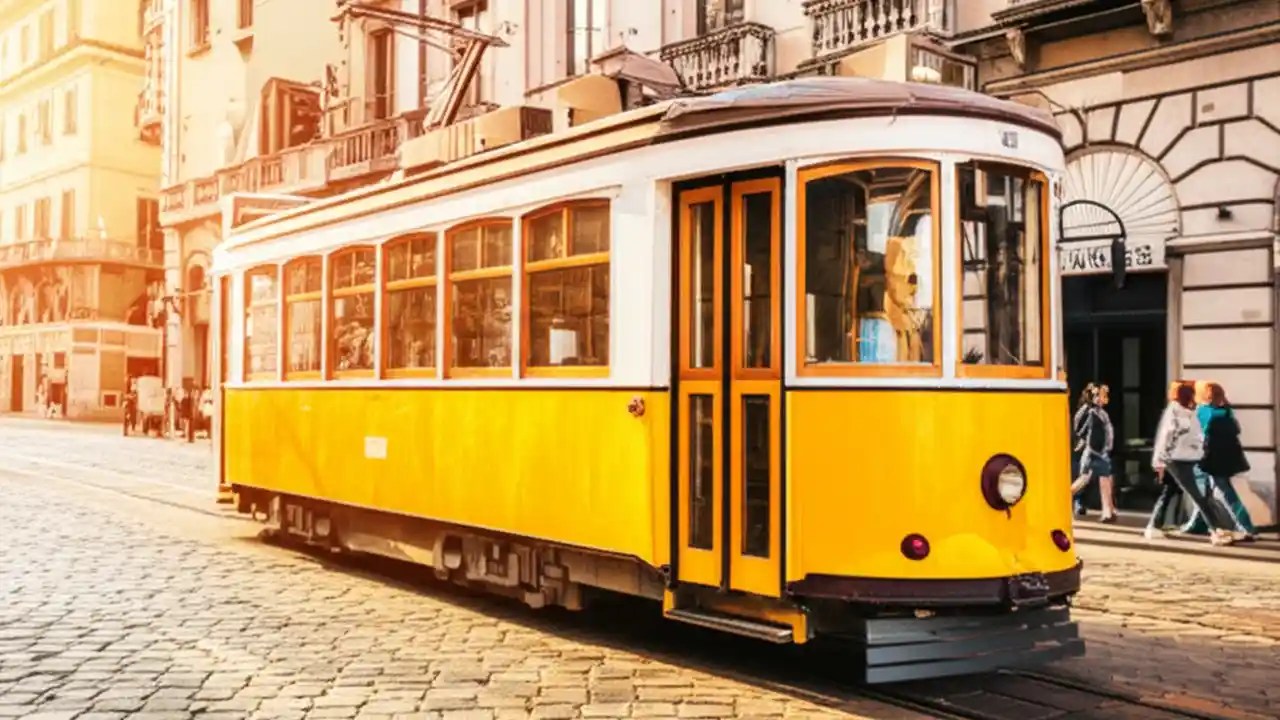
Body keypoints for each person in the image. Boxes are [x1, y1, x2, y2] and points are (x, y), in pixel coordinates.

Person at [1144, 382, 1245, 546]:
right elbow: (1165, 437)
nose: (1195, 396)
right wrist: (1160, 462)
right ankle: (1216, 530)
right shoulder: (1174, 411)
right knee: (1198, 495)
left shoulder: (1191, 411)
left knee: (1170, 492)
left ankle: (1153, 525)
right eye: (1192, 393)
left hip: (1191, 458)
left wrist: (1201, 452)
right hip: (1176, 460)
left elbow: (1197, 435)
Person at [1181, 382, 1256, 539]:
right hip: (1224, 459)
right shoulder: (1226, 411)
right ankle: (1197, 523)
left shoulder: (1202, 411)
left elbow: (1193, 433)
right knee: (1207, 492)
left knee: (1215, 492)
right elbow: (1236, 431)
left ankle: (1246, 527)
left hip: (1207, 458)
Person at [1070, 383, 1116, 521]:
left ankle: (1108, 511)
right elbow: (1082, 430)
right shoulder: (1091, 412)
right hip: (1094, 452)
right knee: (1085, 478)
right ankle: (1063, 499)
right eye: (1101, 396)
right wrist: (1084, 442)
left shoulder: (1101, 412)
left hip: (1101, 452)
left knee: (1104, 479)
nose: (1104, 399)